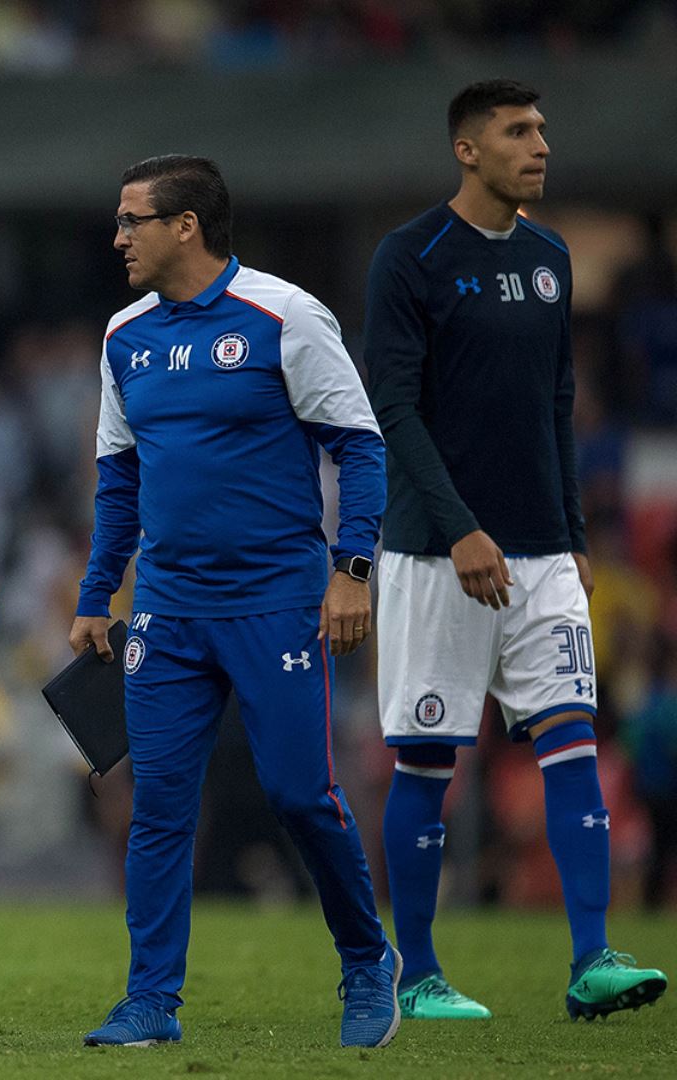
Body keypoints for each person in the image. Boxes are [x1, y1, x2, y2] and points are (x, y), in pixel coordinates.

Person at [70, 154, 400, 1049]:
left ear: (186, 226)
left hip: (275, 604)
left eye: (132, 219)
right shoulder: (124, 335)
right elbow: (119, 479)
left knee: (301, 794)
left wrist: (352, 569)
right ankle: (150, 1002)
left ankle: (368, 961)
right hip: (170, 613)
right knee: (158, 807)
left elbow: (361, 446)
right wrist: (98, 592)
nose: (118, 237)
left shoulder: (286, 316)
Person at [365, 79, 667, 1021]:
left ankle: (592, 962)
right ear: (468, 148)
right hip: (433, 554)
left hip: (540, 556)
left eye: (542, 128)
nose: (541, 144)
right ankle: (416, 975)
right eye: (519, 131)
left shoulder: (550, 257)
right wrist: (459, 528)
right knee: (427, 760)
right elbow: (395, 409)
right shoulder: (409, 258)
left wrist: (573, 536)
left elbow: (557, 404)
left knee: (573, 740)